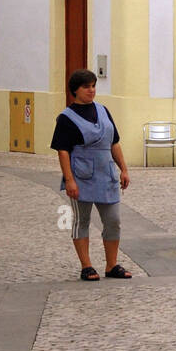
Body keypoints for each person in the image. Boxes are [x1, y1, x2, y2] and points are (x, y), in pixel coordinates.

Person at [51, 69, 133, 280]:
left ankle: (111, 265)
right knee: (81, 220)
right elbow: (63, 151)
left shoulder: (103, 111)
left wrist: (123, 168)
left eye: (93, 86)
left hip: (107, 174)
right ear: (75, 91)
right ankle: (86, 265)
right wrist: (69, 180)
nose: (91, 90)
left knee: (113, 220)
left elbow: (114, 142)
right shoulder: (66, 118)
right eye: (86, 87)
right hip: (82, 175)